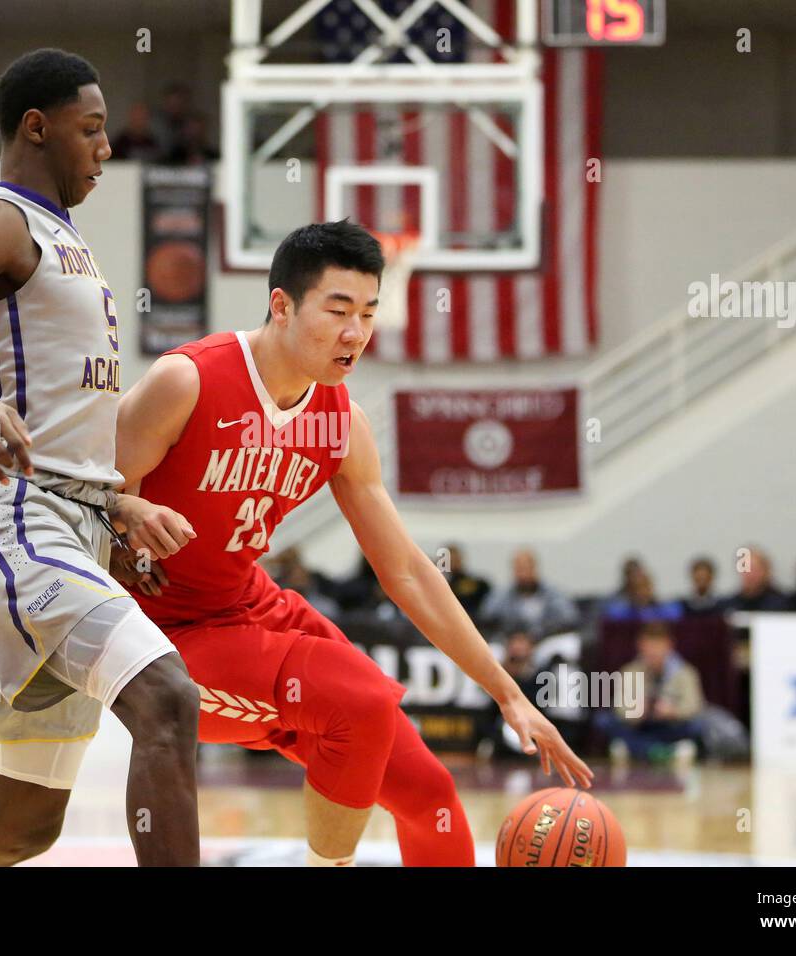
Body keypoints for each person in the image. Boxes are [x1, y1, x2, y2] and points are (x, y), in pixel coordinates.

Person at [113, 221, 591, 868]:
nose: (356, 332)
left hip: (246, 610)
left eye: (368, 313)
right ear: (281, 305)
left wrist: (507, 693)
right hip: (160, 639)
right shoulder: (186, 382)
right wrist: (121, 520)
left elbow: (408, 573)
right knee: (361, 698)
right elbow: (88, 501)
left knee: (431, 795)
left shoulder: (344, 424)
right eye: (338, 310)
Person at [0, 48, 201, 867]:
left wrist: (116, 507)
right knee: (166, 698)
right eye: (91, 129)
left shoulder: (69, 240)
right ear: (36, 127)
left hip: (67, 521)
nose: (105, 146)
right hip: (12, 519)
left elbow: (64, 419)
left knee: (21, 825)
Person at [595, 621, 704, 766]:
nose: (653, 651)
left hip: (670, 725)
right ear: (640, 645)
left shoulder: (685, 672)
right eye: (648, 646)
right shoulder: (630, 671)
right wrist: (636, 712)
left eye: (657, 646)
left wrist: (673, 711)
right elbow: (620, 708)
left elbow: (694, 706)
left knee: (698, 725)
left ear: (669, 645)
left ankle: (637, 748)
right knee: (603, 720)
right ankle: (663, 751)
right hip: (640, 725)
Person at [480, 548, 579, 639]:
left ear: (534, 568)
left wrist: (538, 636)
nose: (523, 574)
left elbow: (568, 617)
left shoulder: (552, 593)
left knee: (568, 644)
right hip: (510, 642)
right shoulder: (501, 595)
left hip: (544, 639)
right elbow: (487, 616)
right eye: (519, 569)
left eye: (526, 568)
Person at [722, 547, 789, 613]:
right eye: (744, 569)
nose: (749, 574)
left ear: (766, 571)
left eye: (754, 569)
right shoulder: (726, 606)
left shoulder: (783, 604)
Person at [601, 569, 682, 622]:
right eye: (636, 587)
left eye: (645, 586)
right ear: (629, 590)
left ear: (651, 587)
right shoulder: (619, 613)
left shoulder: (667, 611)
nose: (641, 592)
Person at [443, 543, 491, 618]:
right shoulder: (442, 583)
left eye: (456, 559)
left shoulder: (475, 583)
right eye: (450, 560)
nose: (453, 563)